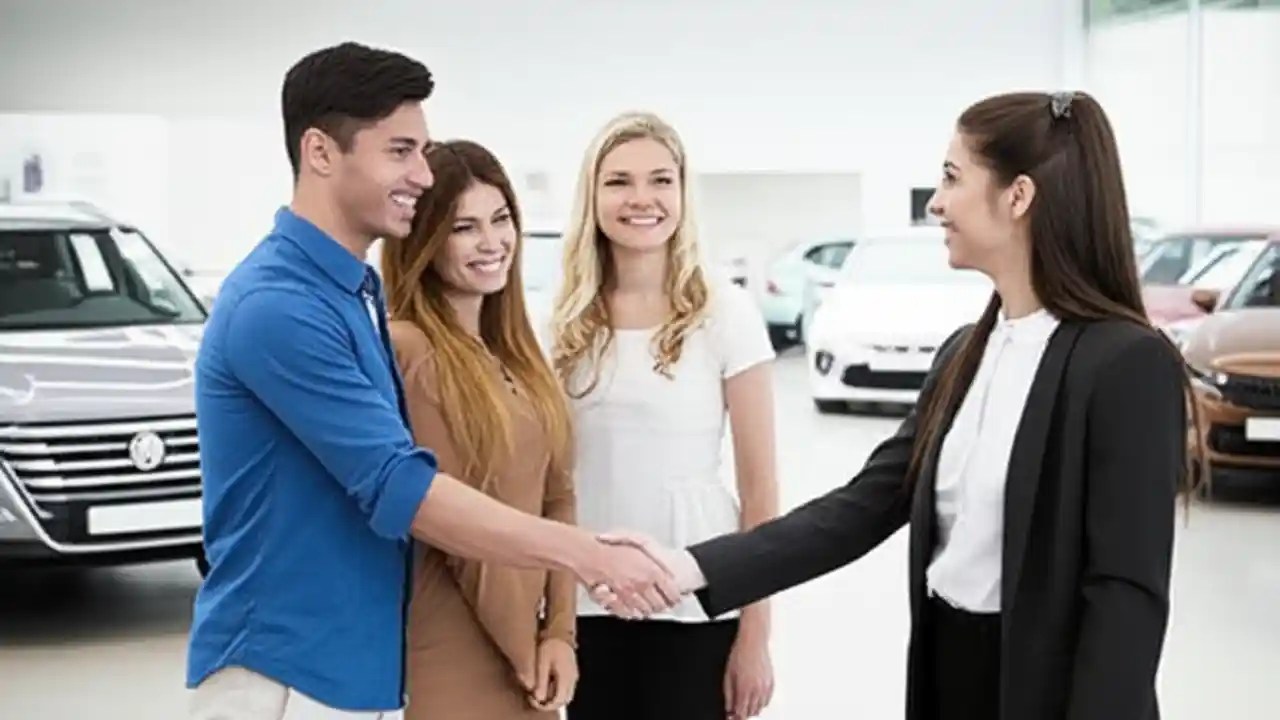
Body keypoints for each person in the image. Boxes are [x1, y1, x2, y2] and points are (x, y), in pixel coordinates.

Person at [598, 91, 1203, 720]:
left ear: (1018, 197)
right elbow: (861, 508)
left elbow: (1125, 597)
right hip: (949, 674)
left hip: (1049, 694)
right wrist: (686, 565)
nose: (936, 202)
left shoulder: (1125, 363)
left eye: (951, 177)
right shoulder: (963, 353)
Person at [187, 43, 678, 720]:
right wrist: (590, 556)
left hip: (353, 675)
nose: (423, 174)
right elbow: (401, 487)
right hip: (283, 674)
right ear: (321, 153)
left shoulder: (347, 294)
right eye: (400, 151)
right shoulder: (278, 307)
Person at [550, 111, 780, 720]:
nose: (641, 199)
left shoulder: (725, 313)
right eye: (619, 181)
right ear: (592, 195)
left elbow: (761, 493)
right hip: (583, 605)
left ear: (683, 193)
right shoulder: (559, 322)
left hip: (696, 602)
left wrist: (755, 639)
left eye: (660, 180)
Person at [380, 139, 579, 718]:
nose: (492, 242)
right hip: (458, 649)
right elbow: (460, 535)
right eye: (464, 227)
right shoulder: (411, 348)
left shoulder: (517, 353)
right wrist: (527, 654)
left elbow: (558, 498)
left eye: (501, 219)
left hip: (533, 654)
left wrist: (561, 634)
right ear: (424, 240)